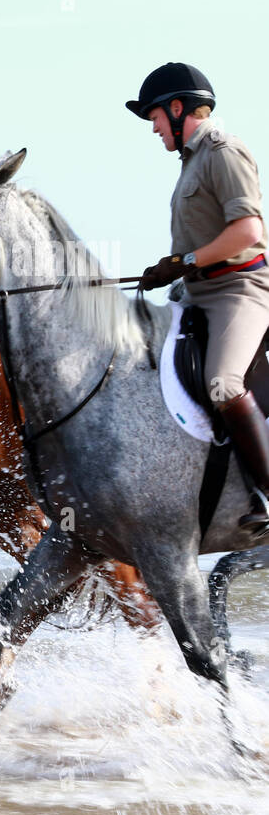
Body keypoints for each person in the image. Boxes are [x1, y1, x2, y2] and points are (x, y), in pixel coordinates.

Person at [133, 63, 269, 532]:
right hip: (196, 291)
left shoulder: (224, 151)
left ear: (177, 108)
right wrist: (171, 269)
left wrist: (186, 260)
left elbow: (249, 230)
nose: (152, 128)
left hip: (239, 290)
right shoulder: (192, 160)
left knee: (223, 384)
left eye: (153, 117)